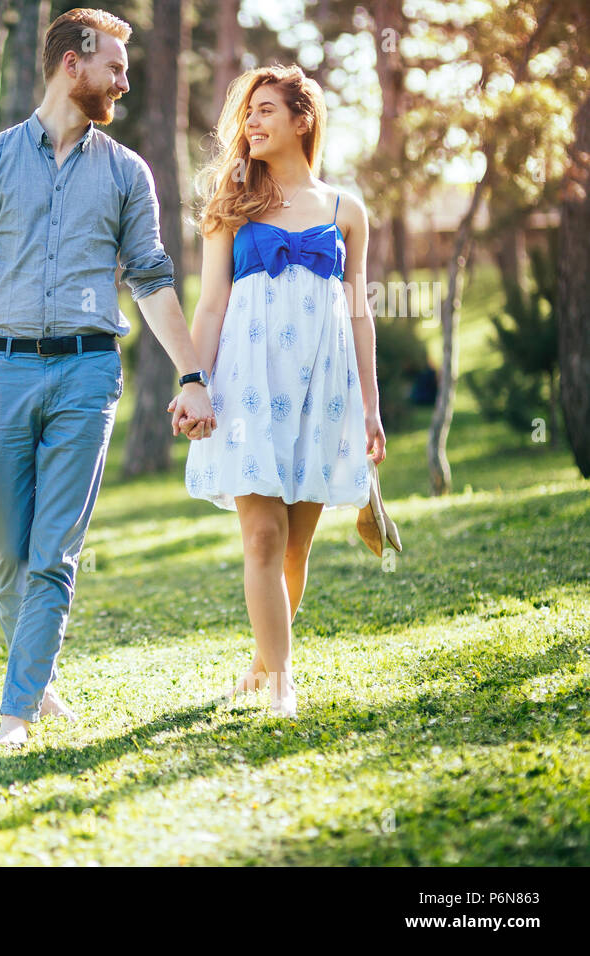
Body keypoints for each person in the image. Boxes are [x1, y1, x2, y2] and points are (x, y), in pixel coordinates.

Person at [0, 7, 215, 748]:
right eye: (114, 64)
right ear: (70, 64)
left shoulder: (127, 172)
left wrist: (192, 374)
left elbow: (151, 279)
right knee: (9, 552)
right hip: (5, 371)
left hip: (88, 371)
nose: (124, 79)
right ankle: (39, 682)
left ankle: (14, 714)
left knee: (53, 550)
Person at [175, 64, 387, 717]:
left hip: (321, 393)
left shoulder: (345, 210)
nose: (253, 122)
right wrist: (194, 383)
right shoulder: (231, 203)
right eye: (248, 112)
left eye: (266, 109)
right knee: (262, 538)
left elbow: (359, 311)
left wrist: (371, 407)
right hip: (246, 387)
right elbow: (210, 307)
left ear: (304, 119)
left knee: (295, 546)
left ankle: (265, 659)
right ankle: (281, 682)